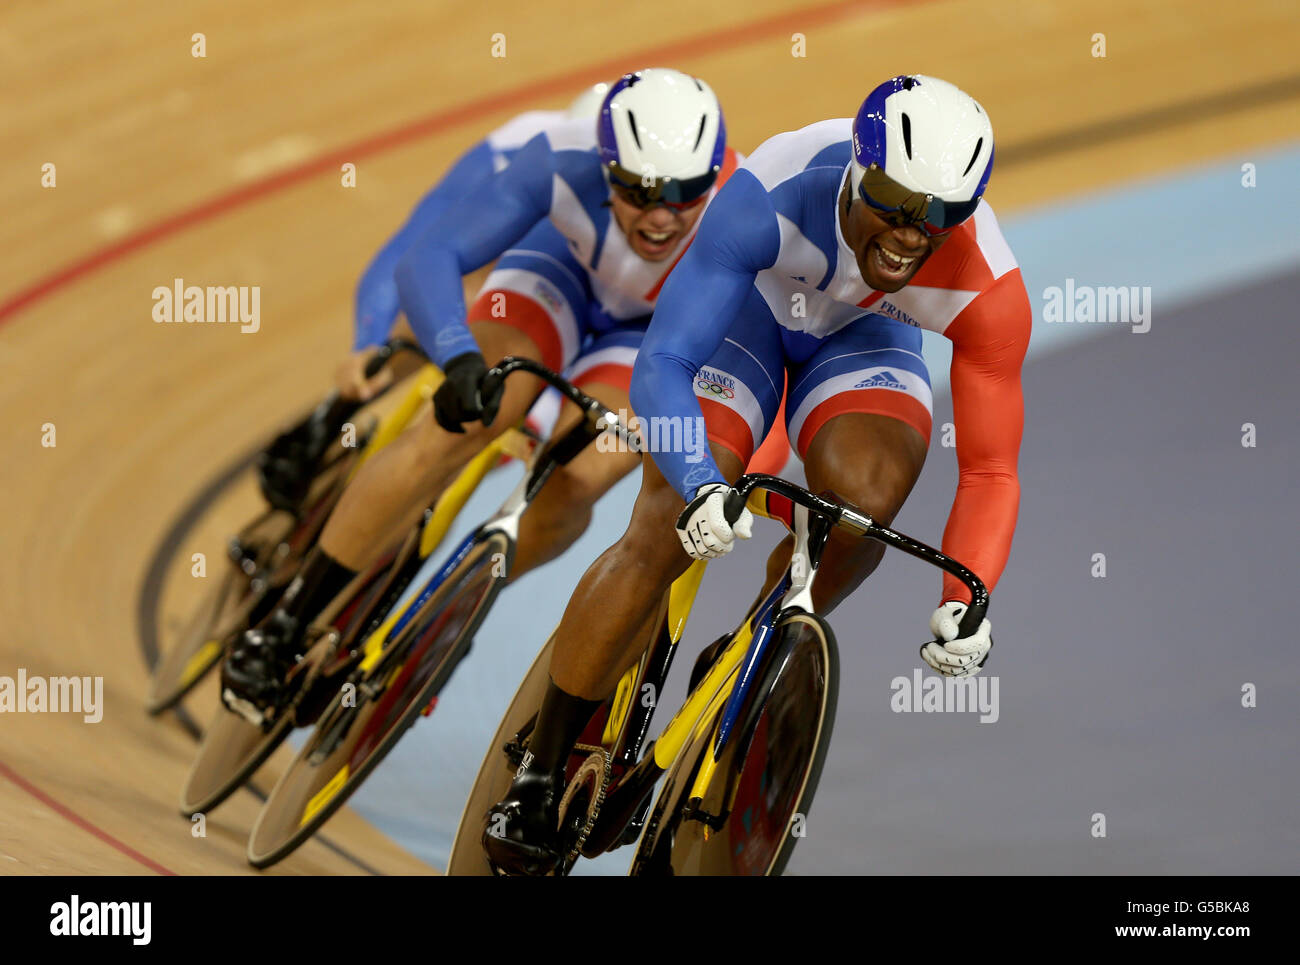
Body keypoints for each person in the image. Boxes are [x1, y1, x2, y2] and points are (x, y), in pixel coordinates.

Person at [482, 74, 1033, 875]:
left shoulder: (990, 287)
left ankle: (751, 647)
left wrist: (968, 594)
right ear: (857, 171)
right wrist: (699, 480)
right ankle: (539, 770)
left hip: (865, 344)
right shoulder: (775, 191)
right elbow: (663, 362)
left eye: (942, 212)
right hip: (750, 318)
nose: (912, 233)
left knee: (862, 511)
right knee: (664, 525)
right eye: (892, 201)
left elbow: (990, 470)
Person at [221, 68, 765, 724]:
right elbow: (430, 256)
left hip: (649, 338)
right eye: (641, 190)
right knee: (469, 418)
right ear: (605, 164)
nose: (661, 215)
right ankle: (285, 625)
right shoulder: (559, 156)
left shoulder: (747, 206)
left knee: (577, 481)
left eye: (685, 194)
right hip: (555, 281)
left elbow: (759, 360)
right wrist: (456, 358)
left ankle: (456, 610)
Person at [257, 84, 611, 511]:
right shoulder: (521, 146)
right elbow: (411, 247)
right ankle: (341, 409)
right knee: (458, 282)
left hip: (585, 301)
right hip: (512, 280)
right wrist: (367, 343)